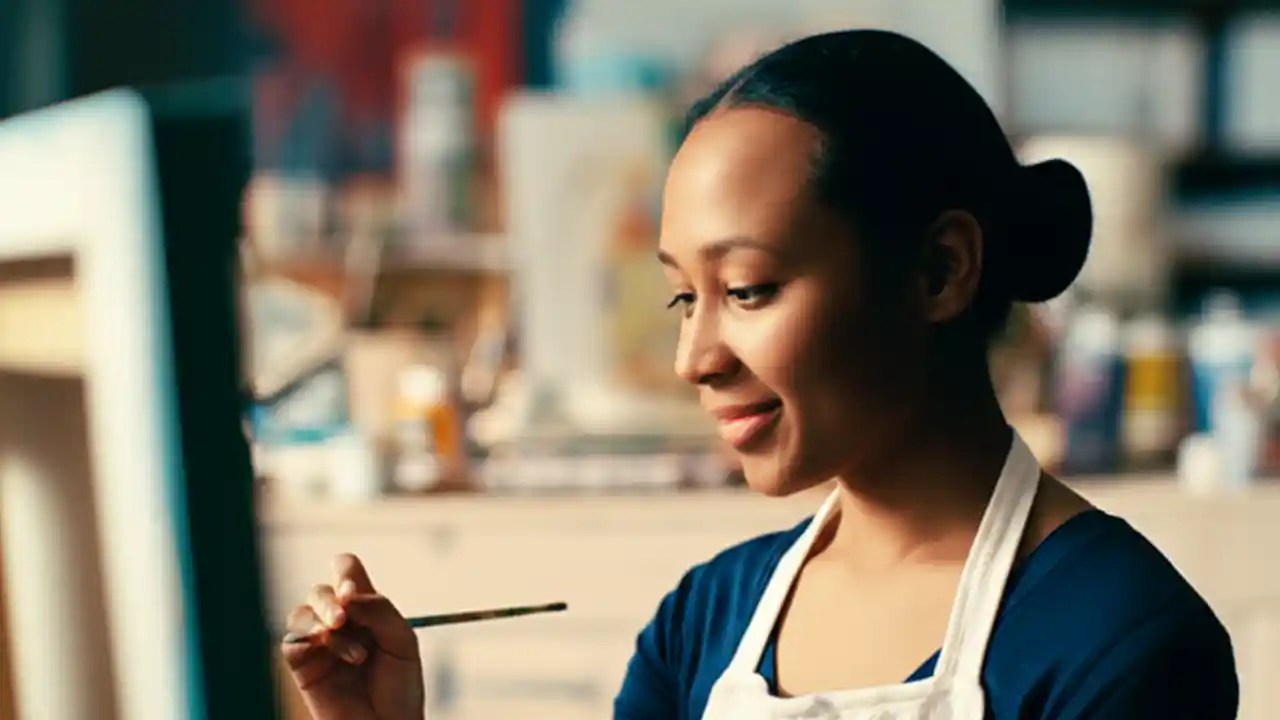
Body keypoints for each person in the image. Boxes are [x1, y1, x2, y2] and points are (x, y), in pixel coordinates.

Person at [282, 30, 1238, 720]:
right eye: (681, 298)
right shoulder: (706, 621)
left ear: (940, 271)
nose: (694, 359)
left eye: (747, 288)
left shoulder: (1122, 641)